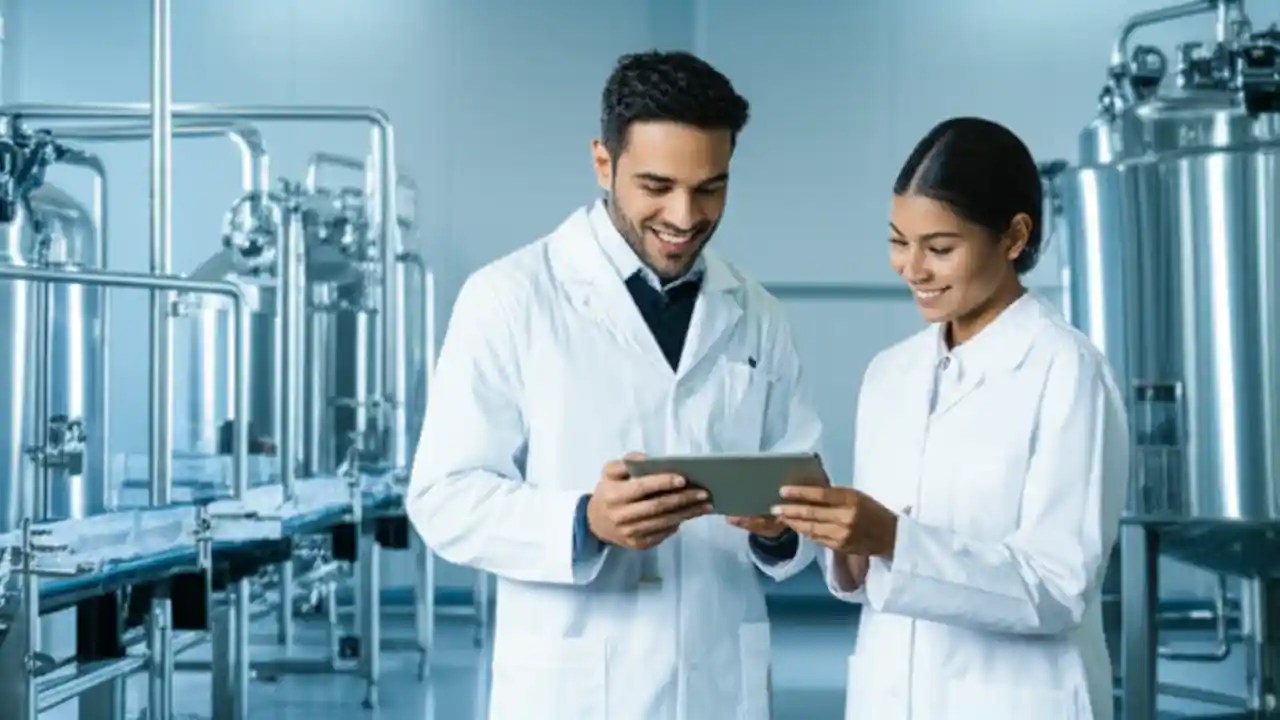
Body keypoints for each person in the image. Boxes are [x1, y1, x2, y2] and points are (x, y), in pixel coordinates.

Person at [405, 49, 823, 720]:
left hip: (719, 679)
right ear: (604, 163)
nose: (685, 216)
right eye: (657, 186)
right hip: (575, 683)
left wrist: (778, 528)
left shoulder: (758, 314)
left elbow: (804, 498)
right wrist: (584, 521)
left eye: (710, 186)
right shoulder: (510, 298)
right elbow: (442, 498)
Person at [770, 117, 1130, 720]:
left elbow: (1060, 588)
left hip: (1017, 699)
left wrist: (891, 536)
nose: (912, 268)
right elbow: (871, 577)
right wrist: (836, 532)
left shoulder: (1066, 373)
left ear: (1014, 237)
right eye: (897, 242)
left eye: (939, 248)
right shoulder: (891, 375)